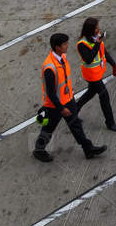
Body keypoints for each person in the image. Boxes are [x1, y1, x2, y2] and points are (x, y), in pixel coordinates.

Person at [33, 32, 107, 162]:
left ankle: (88, 149)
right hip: (55, 106)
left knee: (76, 126)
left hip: (68, 100)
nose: (68, 46)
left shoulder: (62, 58)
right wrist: (61, 108)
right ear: (57, 47)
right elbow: (51, 93)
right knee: (49, 128)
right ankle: (39, 150)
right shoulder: (50, 67)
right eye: (65, 44)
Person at [73, 16, 116, 131]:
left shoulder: (96, 38)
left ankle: (74, 110)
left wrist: (113, 64)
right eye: (96, 28)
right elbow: (88, 59)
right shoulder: (82, 44)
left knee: (90, 93)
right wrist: (97, 44)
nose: (98, 30)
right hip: (91, 75)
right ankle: (110, 122)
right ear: (90, 30)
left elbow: (104, 52)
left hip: (97, 73)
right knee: (104, 97)